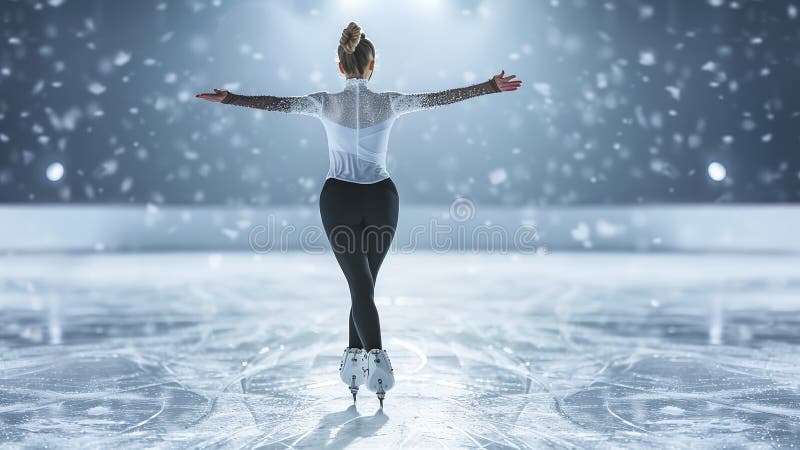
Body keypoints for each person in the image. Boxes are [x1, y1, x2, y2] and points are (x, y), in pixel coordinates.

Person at [196, 21, 522, 407]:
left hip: (339, 200)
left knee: (359, 285)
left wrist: (233, 99)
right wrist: (487, 86)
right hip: (383, 199)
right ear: (372, 66)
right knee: (364, 285)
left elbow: (275, 104)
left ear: (340, 66)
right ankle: (358, 359)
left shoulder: (323, 102)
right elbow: (440, 98)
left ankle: (372, 359)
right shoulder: (390, 102)